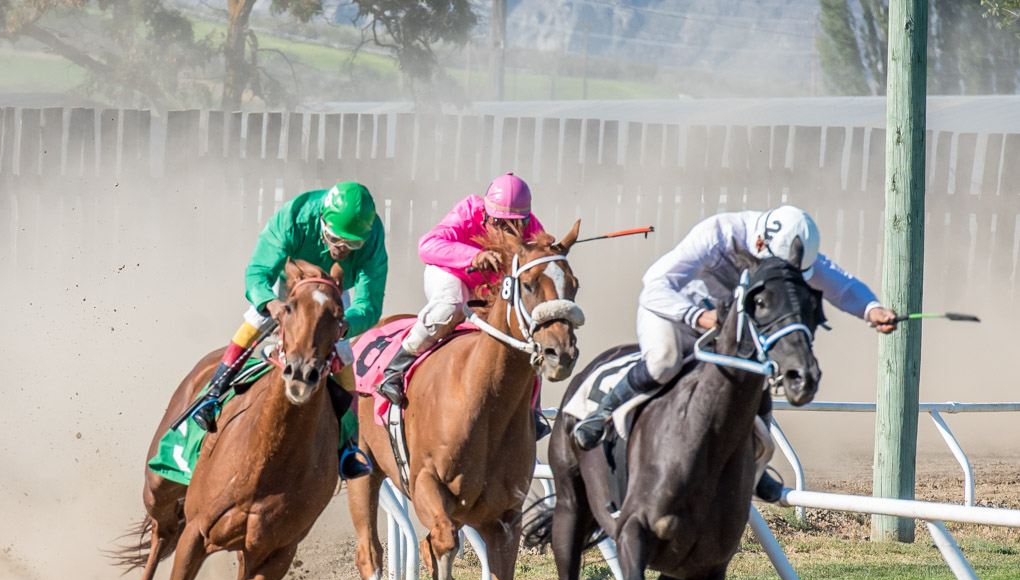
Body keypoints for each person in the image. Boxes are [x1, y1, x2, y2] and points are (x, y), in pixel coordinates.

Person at [571, 205, 898, 457]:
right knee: (665, 362)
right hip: (671, 311)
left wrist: (871, 309)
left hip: (725, 324)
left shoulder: (787, 247)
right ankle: (601, 414)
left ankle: (754, 460)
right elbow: (653, 288)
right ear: (758, 242)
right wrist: (699, 316)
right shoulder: (717, 233)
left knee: (757, 375)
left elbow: (840, 286)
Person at [190, 181, 388, 479]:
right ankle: (212, 396)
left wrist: (343, 325)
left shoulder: (372, 238)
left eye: (352, 245)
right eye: (335, 239)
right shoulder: (294, 217)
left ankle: (348, 444)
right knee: (255, 320)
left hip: (330, 292)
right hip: (289, 281)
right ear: (322, 220)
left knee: (344, 352)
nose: (342, 250)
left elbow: (370, 305)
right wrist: (270, 304)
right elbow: (258, 272)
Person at [377, 173, 544, 408]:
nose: (510, 231)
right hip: (452, 275)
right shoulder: (468, 211)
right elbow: (426, 245)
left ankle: (532, 406)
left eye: (518, 224)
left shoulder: (534, 229)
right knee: (450, 305)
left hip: (489, 292)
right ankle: (395, 370)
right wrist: (474, 257)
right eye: (500, 223)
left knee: (527, 327)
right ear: (486, 214)